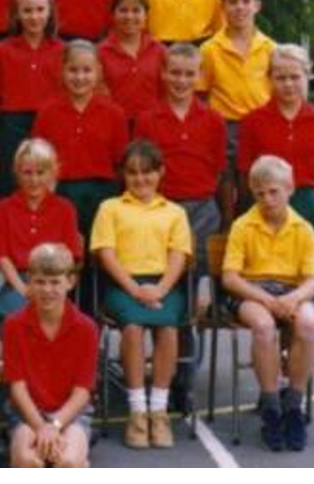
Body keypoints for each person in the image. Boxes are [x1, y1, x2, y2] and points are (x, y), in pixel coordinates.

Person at [133, 42, 226, 412]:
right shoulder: (148, 118)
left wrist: (221, 217)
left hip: (202, 212)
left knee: (188, 296)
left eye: (189, 74)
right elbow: (141, 171)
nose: (181, 80)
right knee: (164, 293)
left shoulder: (213, 120)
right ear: (163, 73)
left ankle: (183, 380)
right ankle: (163, 375)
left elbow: (219, 172)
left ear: (199, 76)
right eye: (175, 72)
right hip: (160, 211)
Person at [91, 139, 192, 449]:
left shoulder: (174, 212)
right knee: (132, 328)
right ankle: (137, 411)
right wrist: (135, 289)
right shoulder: (110, 208)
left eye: (147, 172)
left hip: (164, 285)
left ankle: (158, 411)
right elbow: (106, 253)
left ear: (160, 172)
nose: (140, 179)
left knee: (168, 328)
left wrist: (160, 289)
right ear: (123, 175)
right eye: (132, 173)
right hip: (123, 286)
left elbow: (179, 254)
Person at [221, 155, 314, 452]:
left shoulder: (303, 228)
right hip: (251, 291)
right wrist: (266, 299)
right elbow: (230, 278)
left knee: (308, 324)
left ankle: (293, 406)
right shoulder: (243, 225)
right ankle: (271, 407)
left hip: (290, 292)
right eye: (259, 193)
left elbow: (313, 282)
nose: (267, 199)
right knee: (264, 326)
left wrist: (292, 298)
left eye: (274, 191)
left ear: (290, 189)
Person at [236, 45, 314, 302]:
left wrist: (305, 204)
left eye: (295, 76)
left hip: (304, 205)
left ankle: (296, 326)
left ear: (307, 76)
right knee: (263, 280)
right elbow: (245, 173)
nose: (288, 84)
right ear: (270, 79)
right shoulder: (252, 122)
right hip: (263, 207)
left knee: (304, 284)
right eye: (280, 77)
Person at [32, 40, 128, 283]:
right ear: (62, 71)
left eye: (87, 70)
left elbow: (120, 163)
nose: (80, 77)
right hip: (61, 193)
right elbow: (39, 161)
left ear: (98, 73)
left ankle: (96, 301)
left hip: (102, 194)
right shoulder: (48, 112)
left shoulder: (114, 113)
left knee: (99, 254)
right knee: (64, 255)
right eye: (73, 70)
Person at [2, 243, 98, 468]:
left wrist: (54, 425)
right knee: (28, 462)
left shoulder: (86, 327)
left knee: (68, 462)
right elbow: (17, 387)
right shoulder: (13, 325)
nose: (47, 290)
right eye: (40, 282)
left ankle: (79, 458)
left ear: (70, 282)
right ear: (29, 281)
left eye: (55, 282)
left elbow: (82, 390)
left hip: (70, 415)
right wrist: (41, 427)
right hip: (26, 414)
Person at [198, 0, 277, 226]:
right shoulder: (210, 49)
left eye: (246, 1)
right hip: (224, 124)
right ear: (223, 7)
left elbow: (276, 91)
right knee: (224, 180)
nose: (240, 7)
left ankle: (252, 229)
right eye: (233, 2)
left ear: (257, 5)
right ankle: (226, 229)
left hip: (260, 124)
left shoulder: (270, 48)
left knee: (254, 184)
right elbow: (201, 93)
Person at [0, 138, 81, 321]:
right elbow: (2, 256)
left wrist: (52, 286)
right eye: (27, 173)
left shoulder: (65, 209)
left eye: (40, 172)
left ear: (52, 173)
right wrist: (23, 289)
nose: (34, 180)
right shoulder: (4, 208)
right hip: (17, 282)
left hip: (53, 282)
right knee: (16, 316)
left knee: (56, 315)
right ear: (17, 173)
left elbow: (70, 257)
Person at [0, 0, 64, 197]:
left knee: (50, 185)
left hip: (51, 123)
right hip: (12, 125)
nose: (34, 16)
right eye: (27, 10)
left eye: (40, 10)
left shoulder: (62, 49)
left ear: (50, 12)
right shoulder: (2, 50)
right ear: (17, 14)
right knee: (10, 185)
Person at [97, 0, 168, 122]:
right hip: (114, 124)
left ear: (146, 14)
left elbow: (165, 94)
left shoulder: (160, 51)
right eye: (123, 10)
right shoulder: (100, 53)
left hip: (152, 125)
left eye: (136, 10)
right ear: (113, 13)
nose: (129, 16)